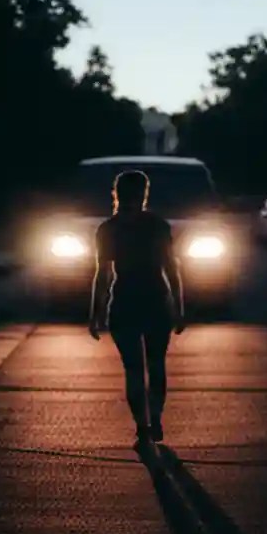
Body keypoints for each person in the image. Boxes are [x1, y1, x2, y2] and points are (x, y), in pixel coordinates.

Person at [89, 170, 186, 445]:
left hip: (124, 302)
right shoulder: (158, 226)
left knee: (132, 369)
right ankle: (155, 417)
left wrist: (95, 313)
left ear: (116, 193)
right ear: (144, 194)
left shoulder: (108, 229)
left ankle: (142, 426)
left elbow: (103, 274)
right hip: (156, 299)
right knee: (156, 365)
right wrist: (179, 306)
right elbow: (172, 269)